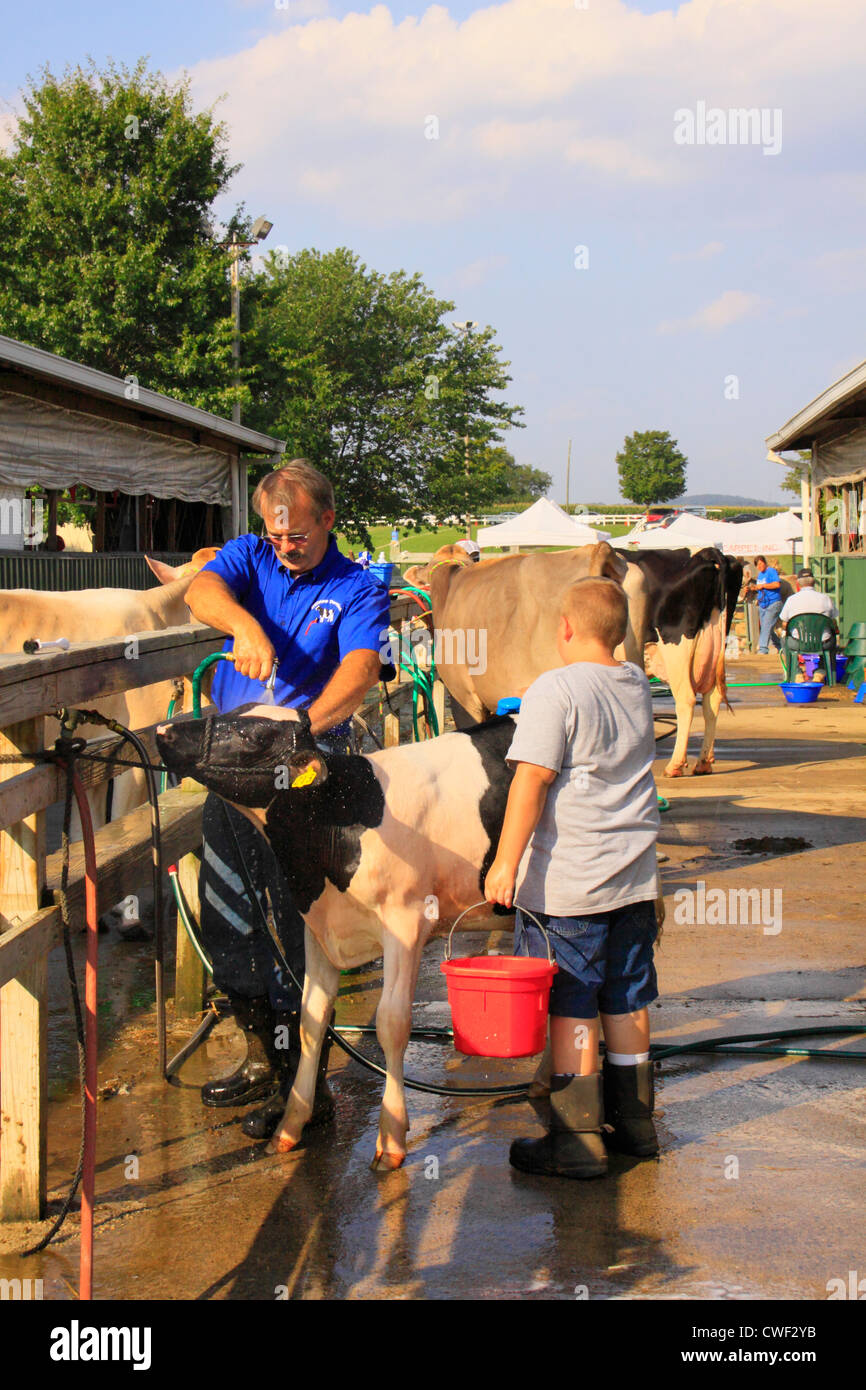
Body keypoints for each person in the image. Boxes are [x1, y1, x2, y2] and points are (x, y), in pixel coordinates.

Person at [184, 460, 391, 1141]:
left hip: (301, 767)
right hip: (234, 767)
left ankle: (306, 1087)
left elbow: (359, 670)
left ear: (328, 520)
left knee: (293, 929)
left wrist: (304, 729)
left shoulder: (355, 586)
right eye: (275, 537)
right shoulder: (252, 556)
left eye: (297, 535)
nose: (284, 547)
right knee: (227, 917)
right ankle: (261, 1056)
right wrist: (244, 627)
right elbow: (201, 592)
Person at [484, 576, 661, 1179]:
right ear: (620, 634)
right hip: (634, 881)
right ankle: (637, 1127)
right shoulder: (636, 682)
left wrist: (505, 862)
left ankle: (578, 1141)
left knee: (573, 1003)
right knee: (627, 995)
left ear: (563, 629)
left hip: (571, 886)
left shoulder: (554, 689)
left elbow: (531, 780)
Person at [747, 555, 783, 654]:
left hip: (773, 602)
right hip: (763, 604)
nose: (759, 566)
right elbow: (760, 588)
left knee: (766, 626)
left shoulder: (771, 571)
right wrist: (754, 589)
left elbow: (777, 584)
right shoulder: (760, 575)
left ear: (764, 562)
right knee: (767, 628)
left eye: (760, 563)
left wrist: (762, 586)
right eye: (757, 565)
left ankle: (763, 649)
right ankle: (781, 647)